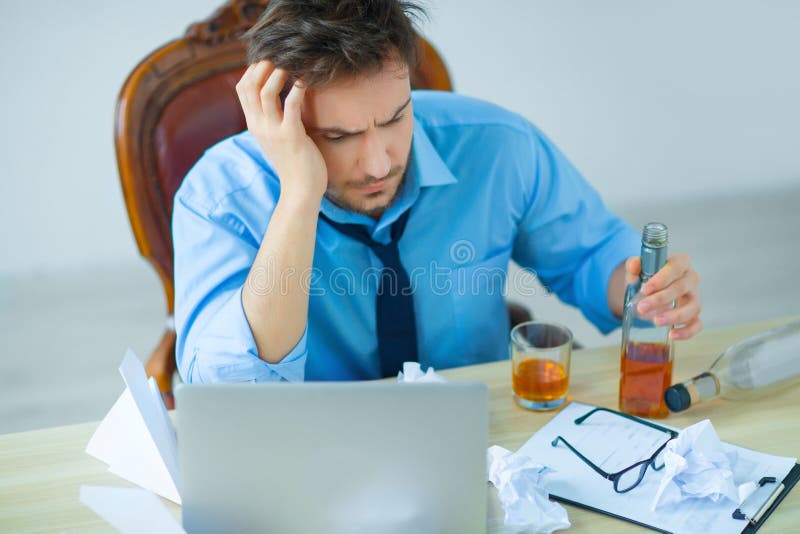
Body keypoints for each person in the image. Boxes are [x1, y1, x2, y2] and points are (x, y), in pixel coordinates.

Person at [172, 0, 702, 383]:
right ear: (278, 116)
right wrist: (298, 195)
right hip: (314, 454)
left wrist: (648, 292)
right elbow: (233, 393)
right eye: (338, 137)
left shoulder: (497, 144)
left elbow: (591, 254)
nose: (379, 163)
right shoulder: (219, 200)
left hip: (486, 433)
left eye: (396, 117)